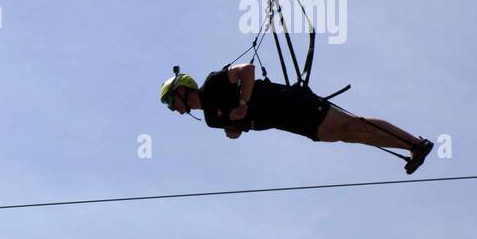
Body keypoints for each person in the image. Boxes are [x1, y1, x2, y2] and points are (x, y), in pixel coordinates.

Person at [160, 63, 433, 174]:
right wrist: (234, 129)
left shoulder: (214, 83)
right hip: (289, 123)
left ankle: (415, 143)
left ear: (182, 91)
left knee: (353, 125)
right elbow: (236, 126)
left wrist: (242, 103)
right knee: (348, 135)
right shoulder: (210, 119)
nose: (175, 110)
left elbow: (248, 70)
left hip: (289, 102)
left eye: (173, 103)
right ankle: (412, 149)